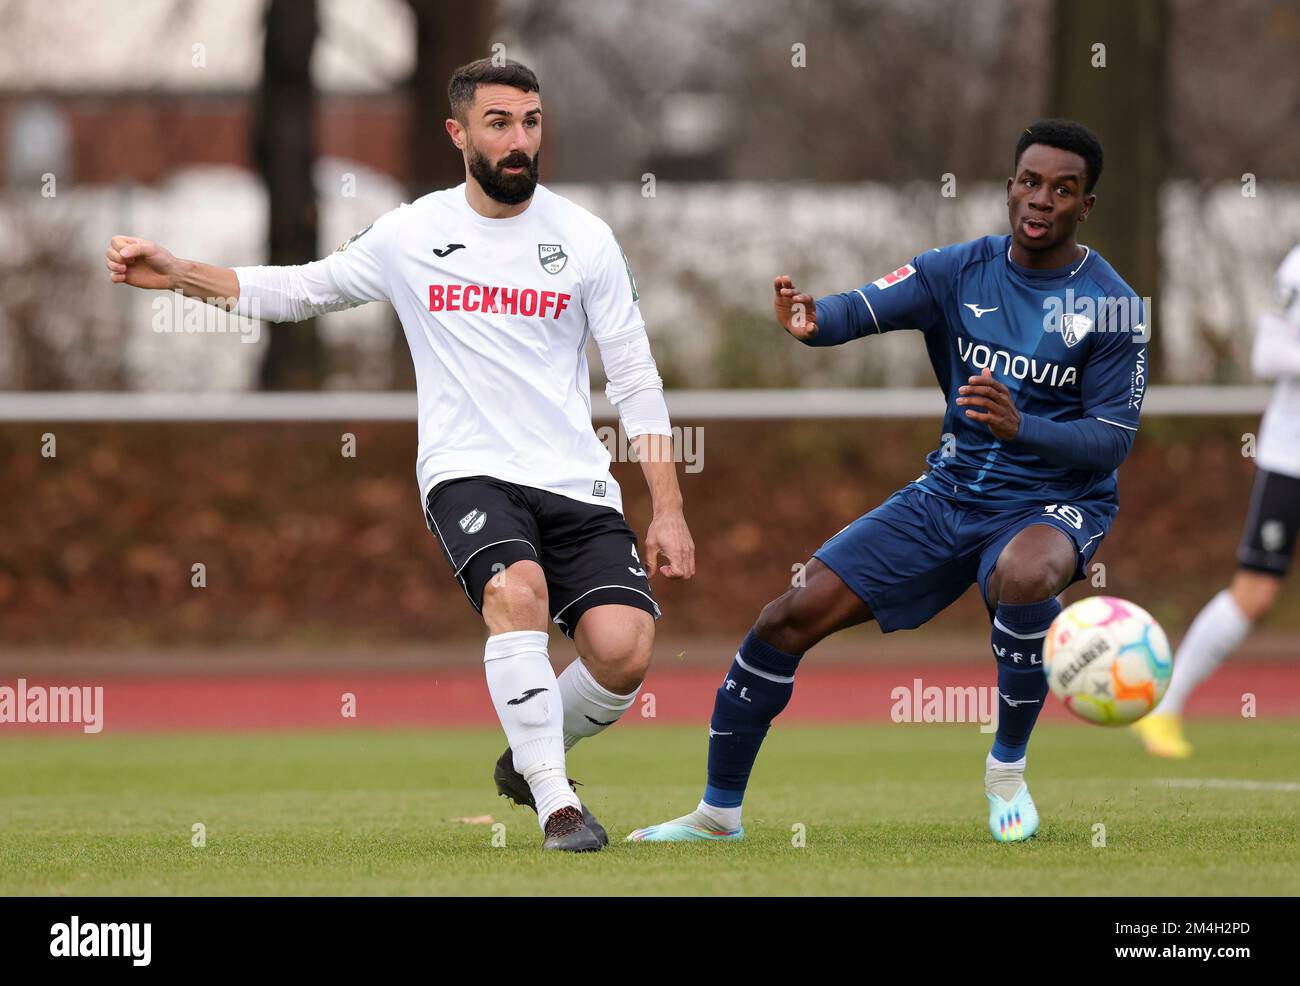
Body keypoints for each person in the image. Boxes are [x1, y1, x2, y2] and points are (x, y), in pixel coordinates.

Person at [105, 58, 695, 853]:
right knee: (514, 591)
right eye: (499, 124)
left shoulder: (584, 239)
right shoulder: (412, 232)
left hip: (574, 477)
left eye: (531, 122)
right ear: (458, 134)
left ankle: (532, 758)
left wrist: (669, 507)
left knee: (623, 650)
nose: (520, 141)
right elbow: (302, 288)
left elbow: (634, 376)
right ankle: (558, 805)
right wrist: (180, 273)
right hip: (468, 470)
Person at [628, 119, 1146, 845]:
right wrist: (812, 320)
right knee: (789, 615)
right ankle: (718, 815)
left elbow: (1112, 442)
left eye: (1063, 190)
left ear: (1085, 206)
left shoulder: (1115, 304)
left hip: (1052, 503)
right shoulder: (957, 270)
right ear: (1010, 188)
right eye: (1030, 182)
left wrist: (1019, 427)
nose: (1041, 200)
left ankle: (1006, 773)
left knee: (1028, 575)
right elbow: (864, 306)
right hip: (948, 495)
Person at [1134, 245, 1300, 758]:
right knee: (1254, 592)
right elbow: (1266, 354)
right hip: (1291, 457)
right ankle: (1165, 707)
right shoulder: (1298, 266)